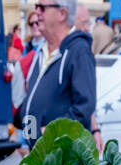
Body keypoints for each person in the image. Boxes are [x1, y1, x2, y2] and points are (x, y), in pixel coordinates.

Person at [19, 0, 103, 152]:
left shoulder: (79, 51)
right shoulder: (41, 52)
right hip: (40, 154)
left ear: (62, 14)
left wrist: (51, 133)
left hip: (61, 158)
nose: (36, 12)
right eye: (36, 7)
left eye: (42, 8)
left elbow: (84, 105)